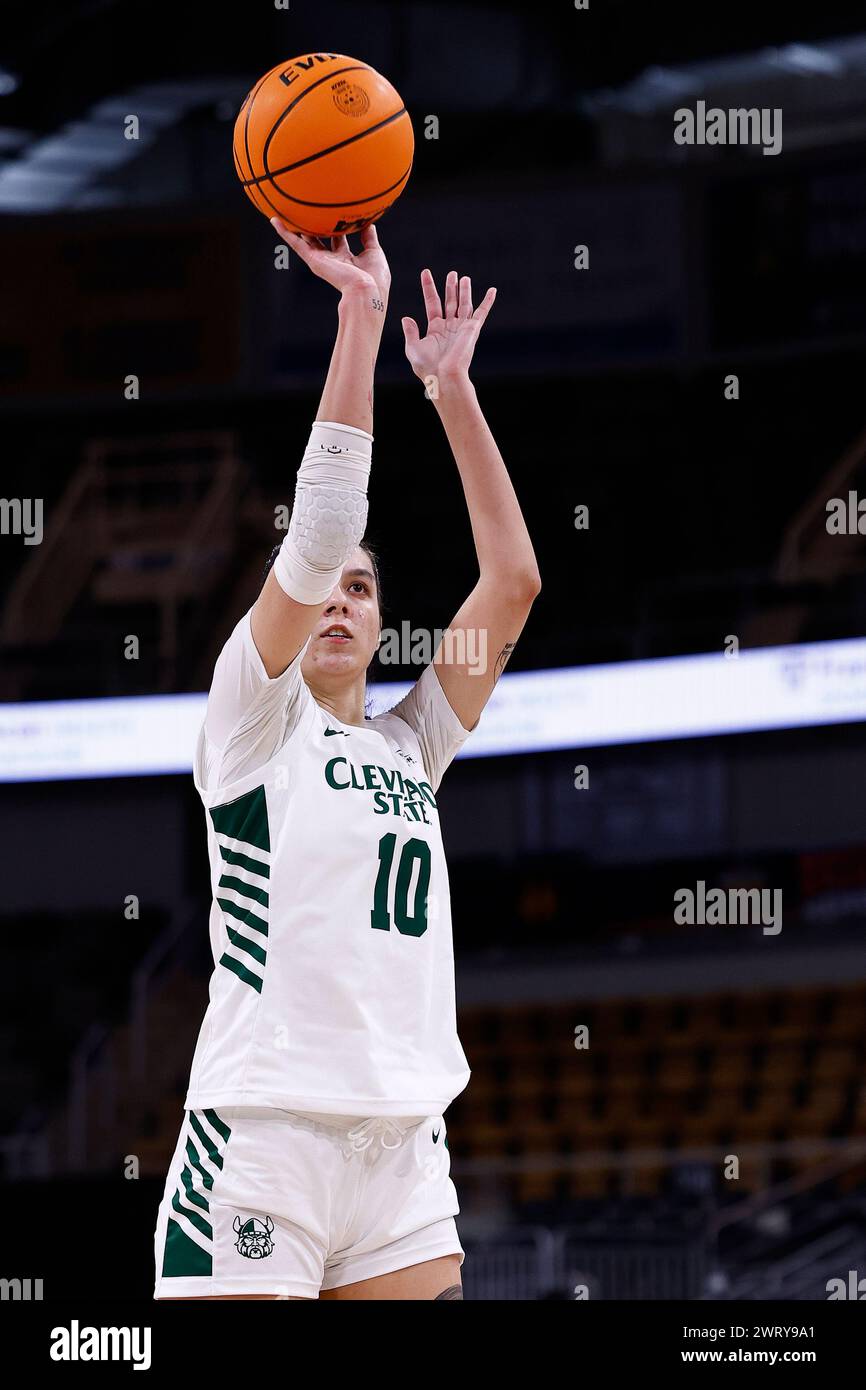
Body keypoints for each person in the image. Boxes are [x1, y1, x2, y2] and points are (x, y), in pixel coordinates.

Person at [153, 218, 541, 1300]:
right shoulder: (249, 716)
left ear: (380, 626)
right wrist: (360, 316)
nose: (337, 595)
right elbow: (318, 536)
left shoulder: (411, 743)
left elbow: (510, 583)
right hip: (265, 1134)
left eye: (362, 590)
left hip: (400, 1146)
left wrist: (452, 394)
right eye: (323, 585)